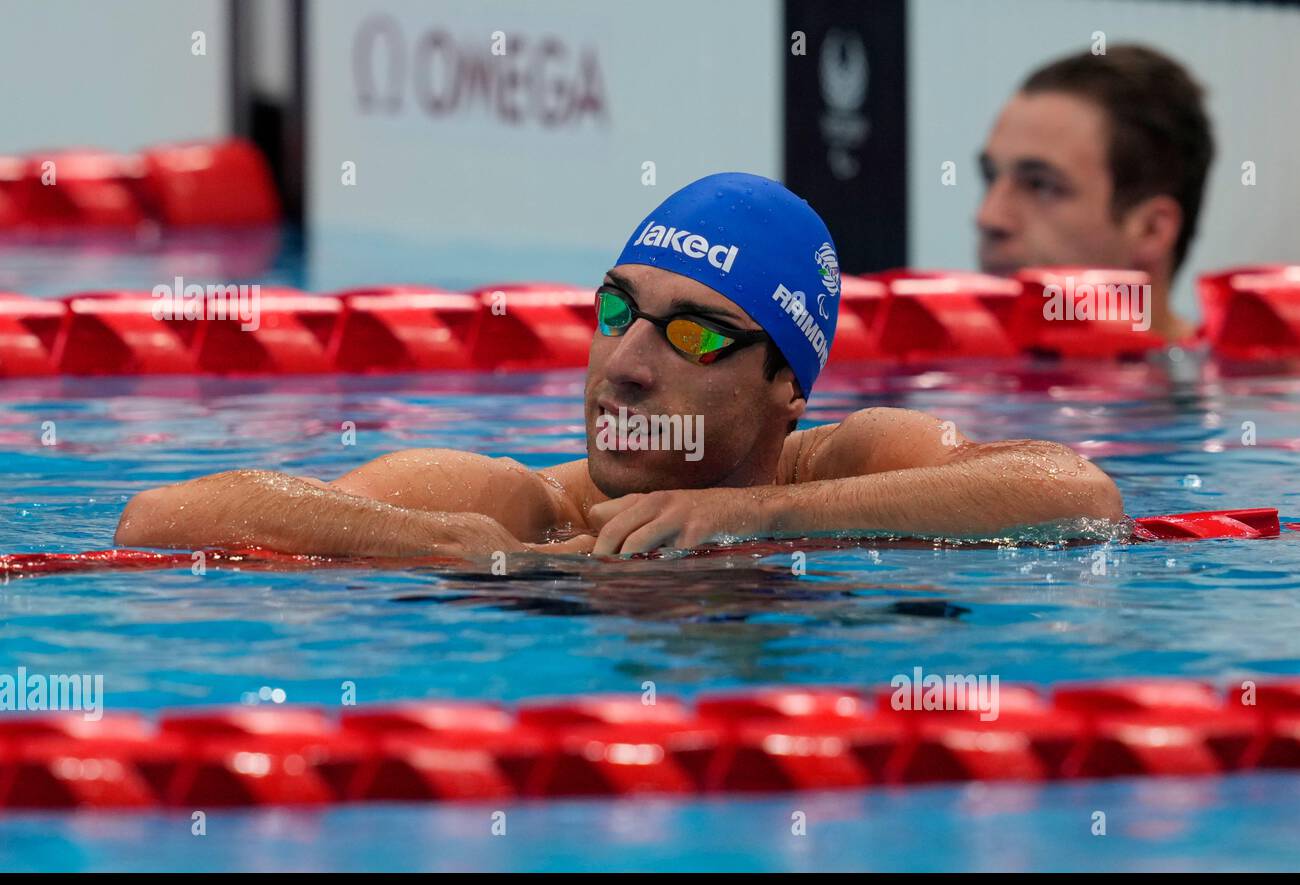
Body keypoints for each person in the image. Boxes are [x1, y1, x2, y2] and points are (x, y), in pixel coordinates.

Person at [116, 172, 1124, 559]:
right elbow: (156, 520)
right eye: (616, 311)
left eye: (693, 332)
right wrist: (452, 549)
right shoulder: (515, 506)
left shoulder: (846, 471)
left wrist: (758, 515)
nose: (625, 365)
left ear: (790, 387)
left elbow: (1076, 490)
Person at [976, 45, 1215, 340]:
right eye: (991, 177)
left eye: (1040, 185)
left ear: (1152, 230)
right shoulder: (942, 374)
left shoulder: (1252, 381)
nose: (988, 217)